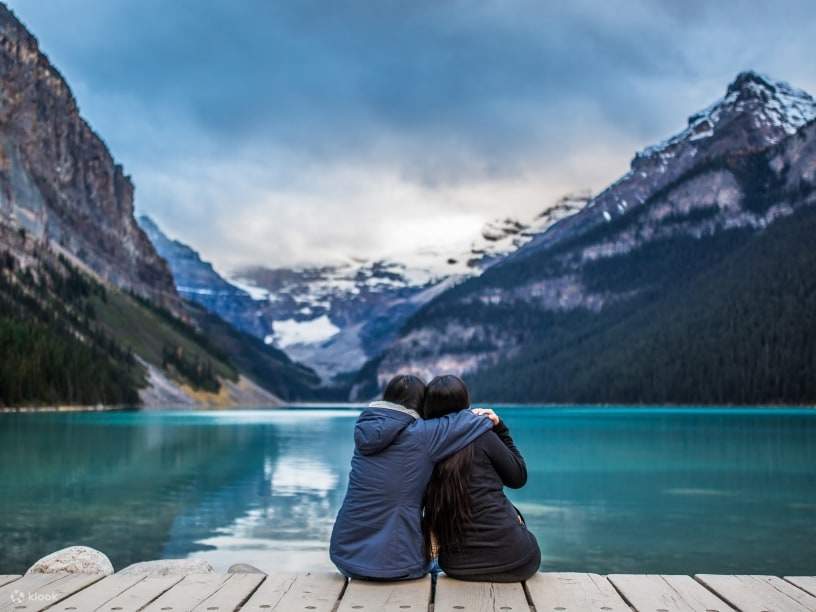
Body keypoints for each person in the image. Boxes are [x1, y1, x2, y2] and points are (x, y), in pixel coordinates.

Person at [330, 374, 499, 580]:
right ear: (420, 405)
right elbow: (470, 422)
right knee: (441, 566)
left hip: (345, 557)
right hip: (397, 565)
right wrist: (485, 416)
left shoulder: (365, 431)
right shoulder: (422, 434)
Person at [422, 375, 540, 582]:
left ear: (428, 407)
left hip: (458, 567)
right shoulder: (483, 436)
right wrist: (500, 428)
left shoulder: (423, 444)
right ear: (465, 403)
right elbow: (518, 478)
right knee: (511, 511)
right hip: (518, 561)